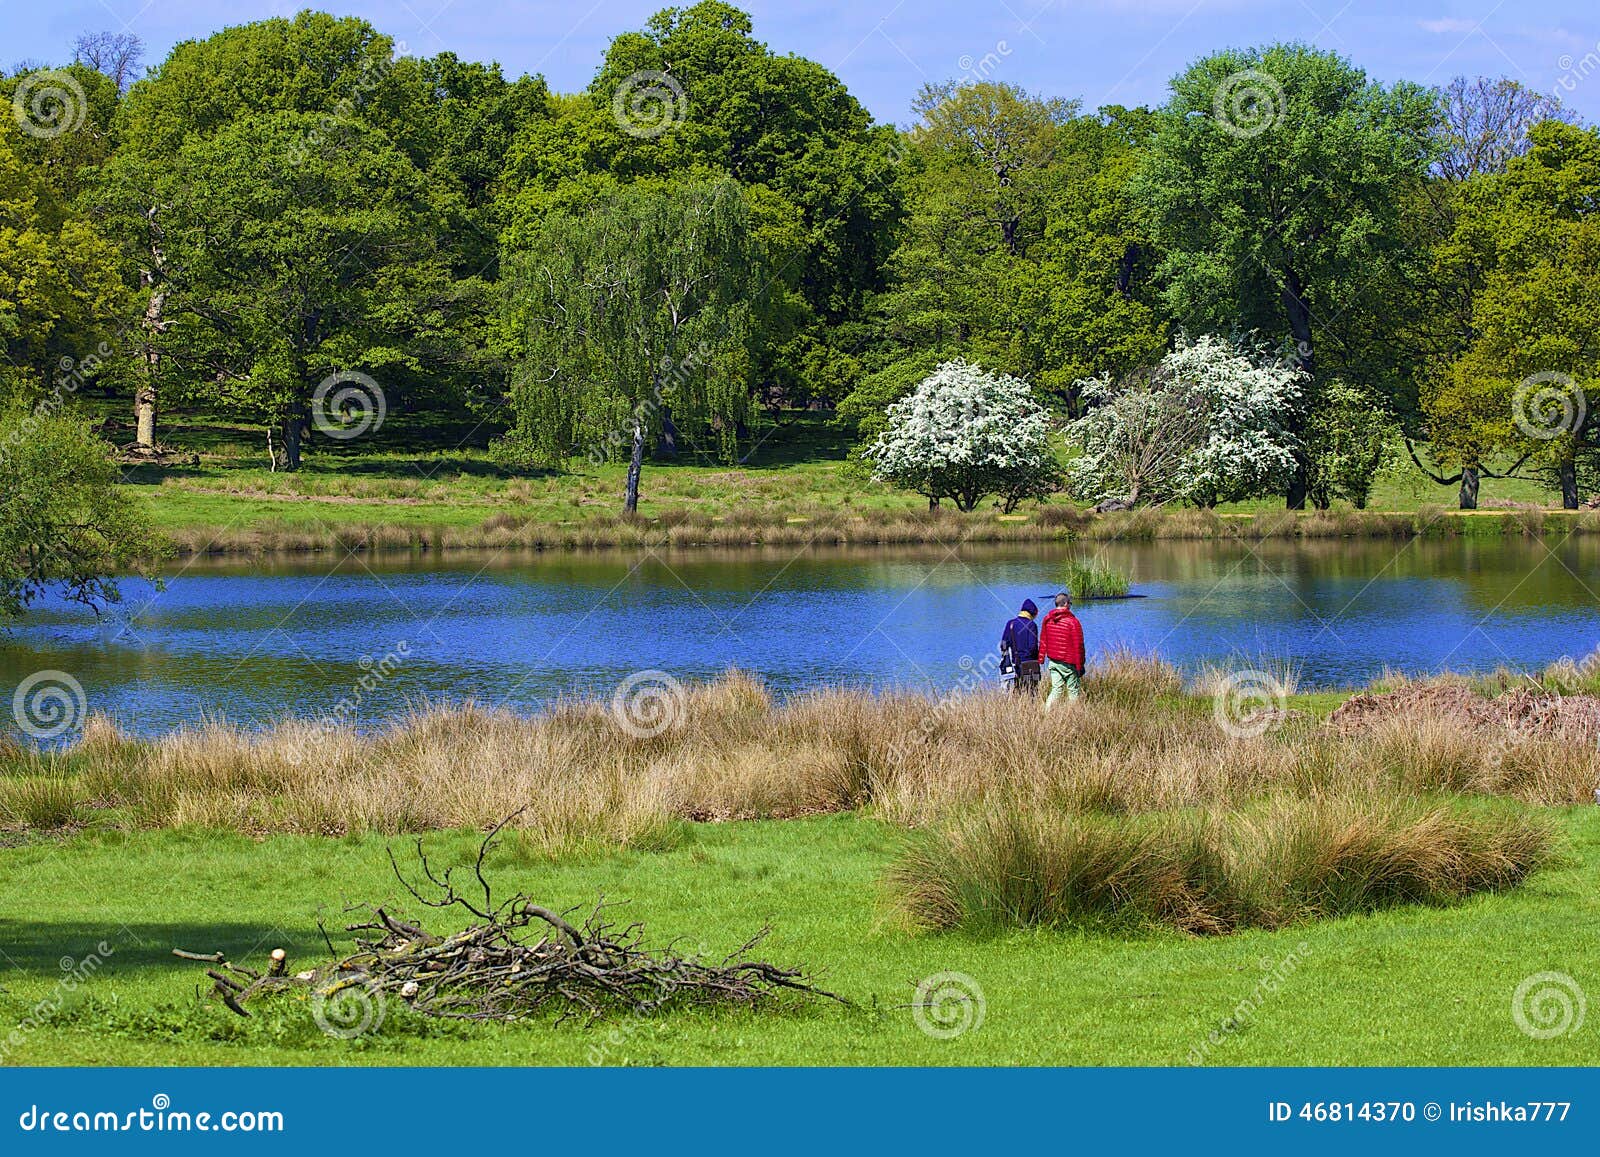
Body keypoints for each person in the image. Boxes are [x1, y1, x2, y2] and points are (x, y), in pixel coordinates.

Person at [1038, 591, 1085, 708]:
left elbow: (1043, 640)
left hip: (1053, 661)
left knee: (1056, 690)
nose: (1070, 606)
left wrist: (1041, 659)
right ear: (1065, 604)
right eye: (1070, 603)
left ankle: (1046, 713)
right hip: (1069, 663)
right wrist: (1080, 666)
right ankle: (1074, 716)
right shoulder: (1073, 622)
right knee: (1073, 691)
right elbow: (1078, 646)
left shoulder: (1047, 619)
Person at [999, 598, 1041, 695]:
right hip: (1029, 663)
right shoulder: (1031, 625)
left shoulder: (1011, 624)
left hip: (1014, 663)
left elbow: (1003, 644)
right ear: (1033, 613)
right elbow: (1032, 647)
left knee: (1017, 689)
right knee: (1031, 692)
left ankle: (1016, 707)